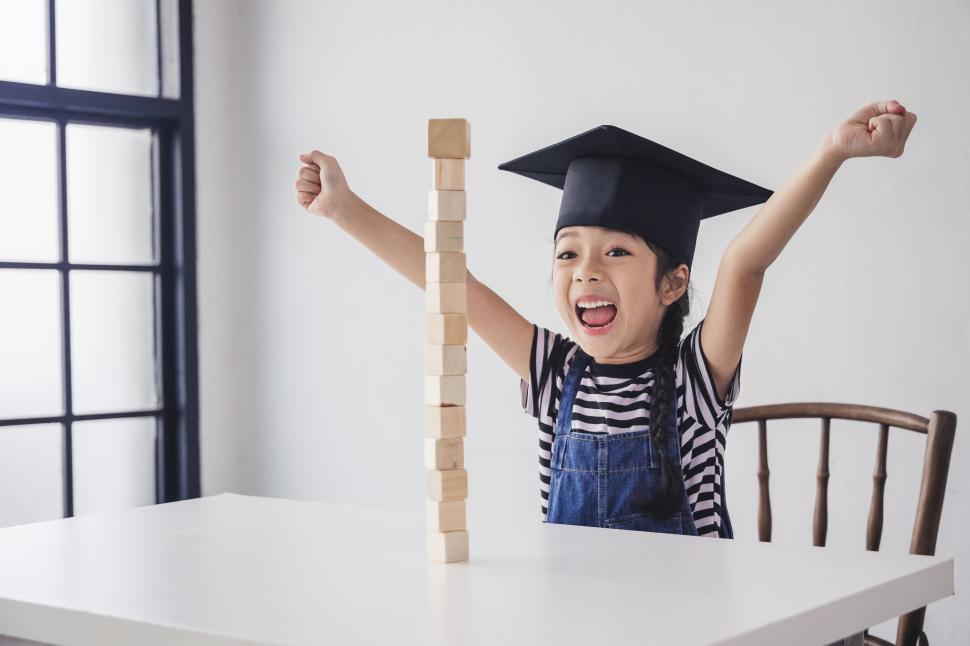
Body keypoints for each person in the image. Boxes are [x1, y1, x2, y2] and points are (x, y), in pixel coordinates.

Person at [293, 100, 917, 538]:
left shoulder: (694, 381)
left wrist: (833, 151)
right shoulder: (553, 373)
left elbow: (744, 265)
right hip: (575, 619)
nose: (586, 271)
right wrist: (344, 209)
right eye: (568, 253)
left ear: (674, 282)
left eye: (617, 251)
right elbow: (452, 283)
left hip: (691, 625)